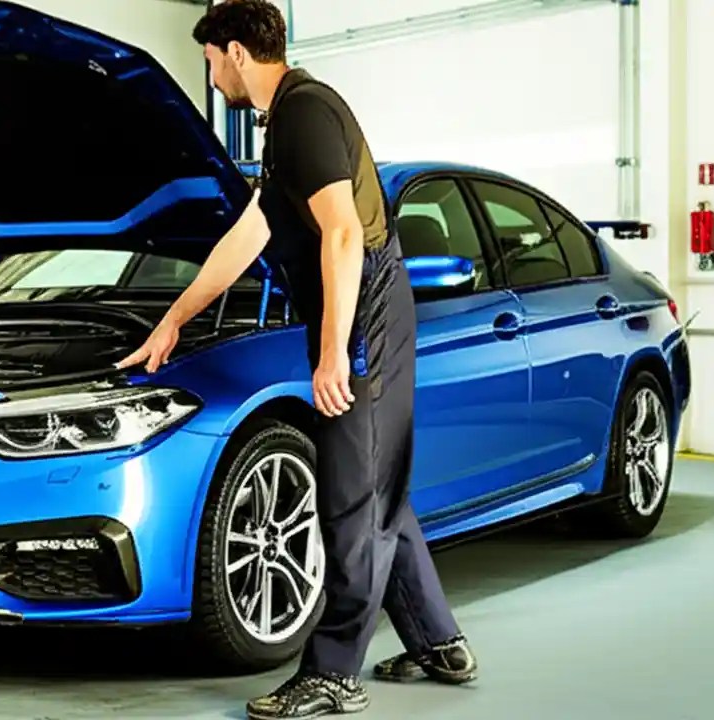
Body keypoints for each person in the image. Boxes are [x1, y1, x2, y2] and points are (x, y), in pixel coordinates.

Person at [117, 2, 477, 717]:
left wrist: (336, 350)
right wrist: (174, 319)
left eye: (211, 61)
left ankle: (333, 673)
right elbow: (248, 235)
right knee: (375, 485)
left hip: (364, 313)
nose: (212, 77)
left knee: (350, 497)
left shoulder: (306, 113)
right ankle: (438, 641)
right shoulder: (285, 122)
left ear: (237, 53)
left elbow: (342, 235)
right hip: (357, 312)